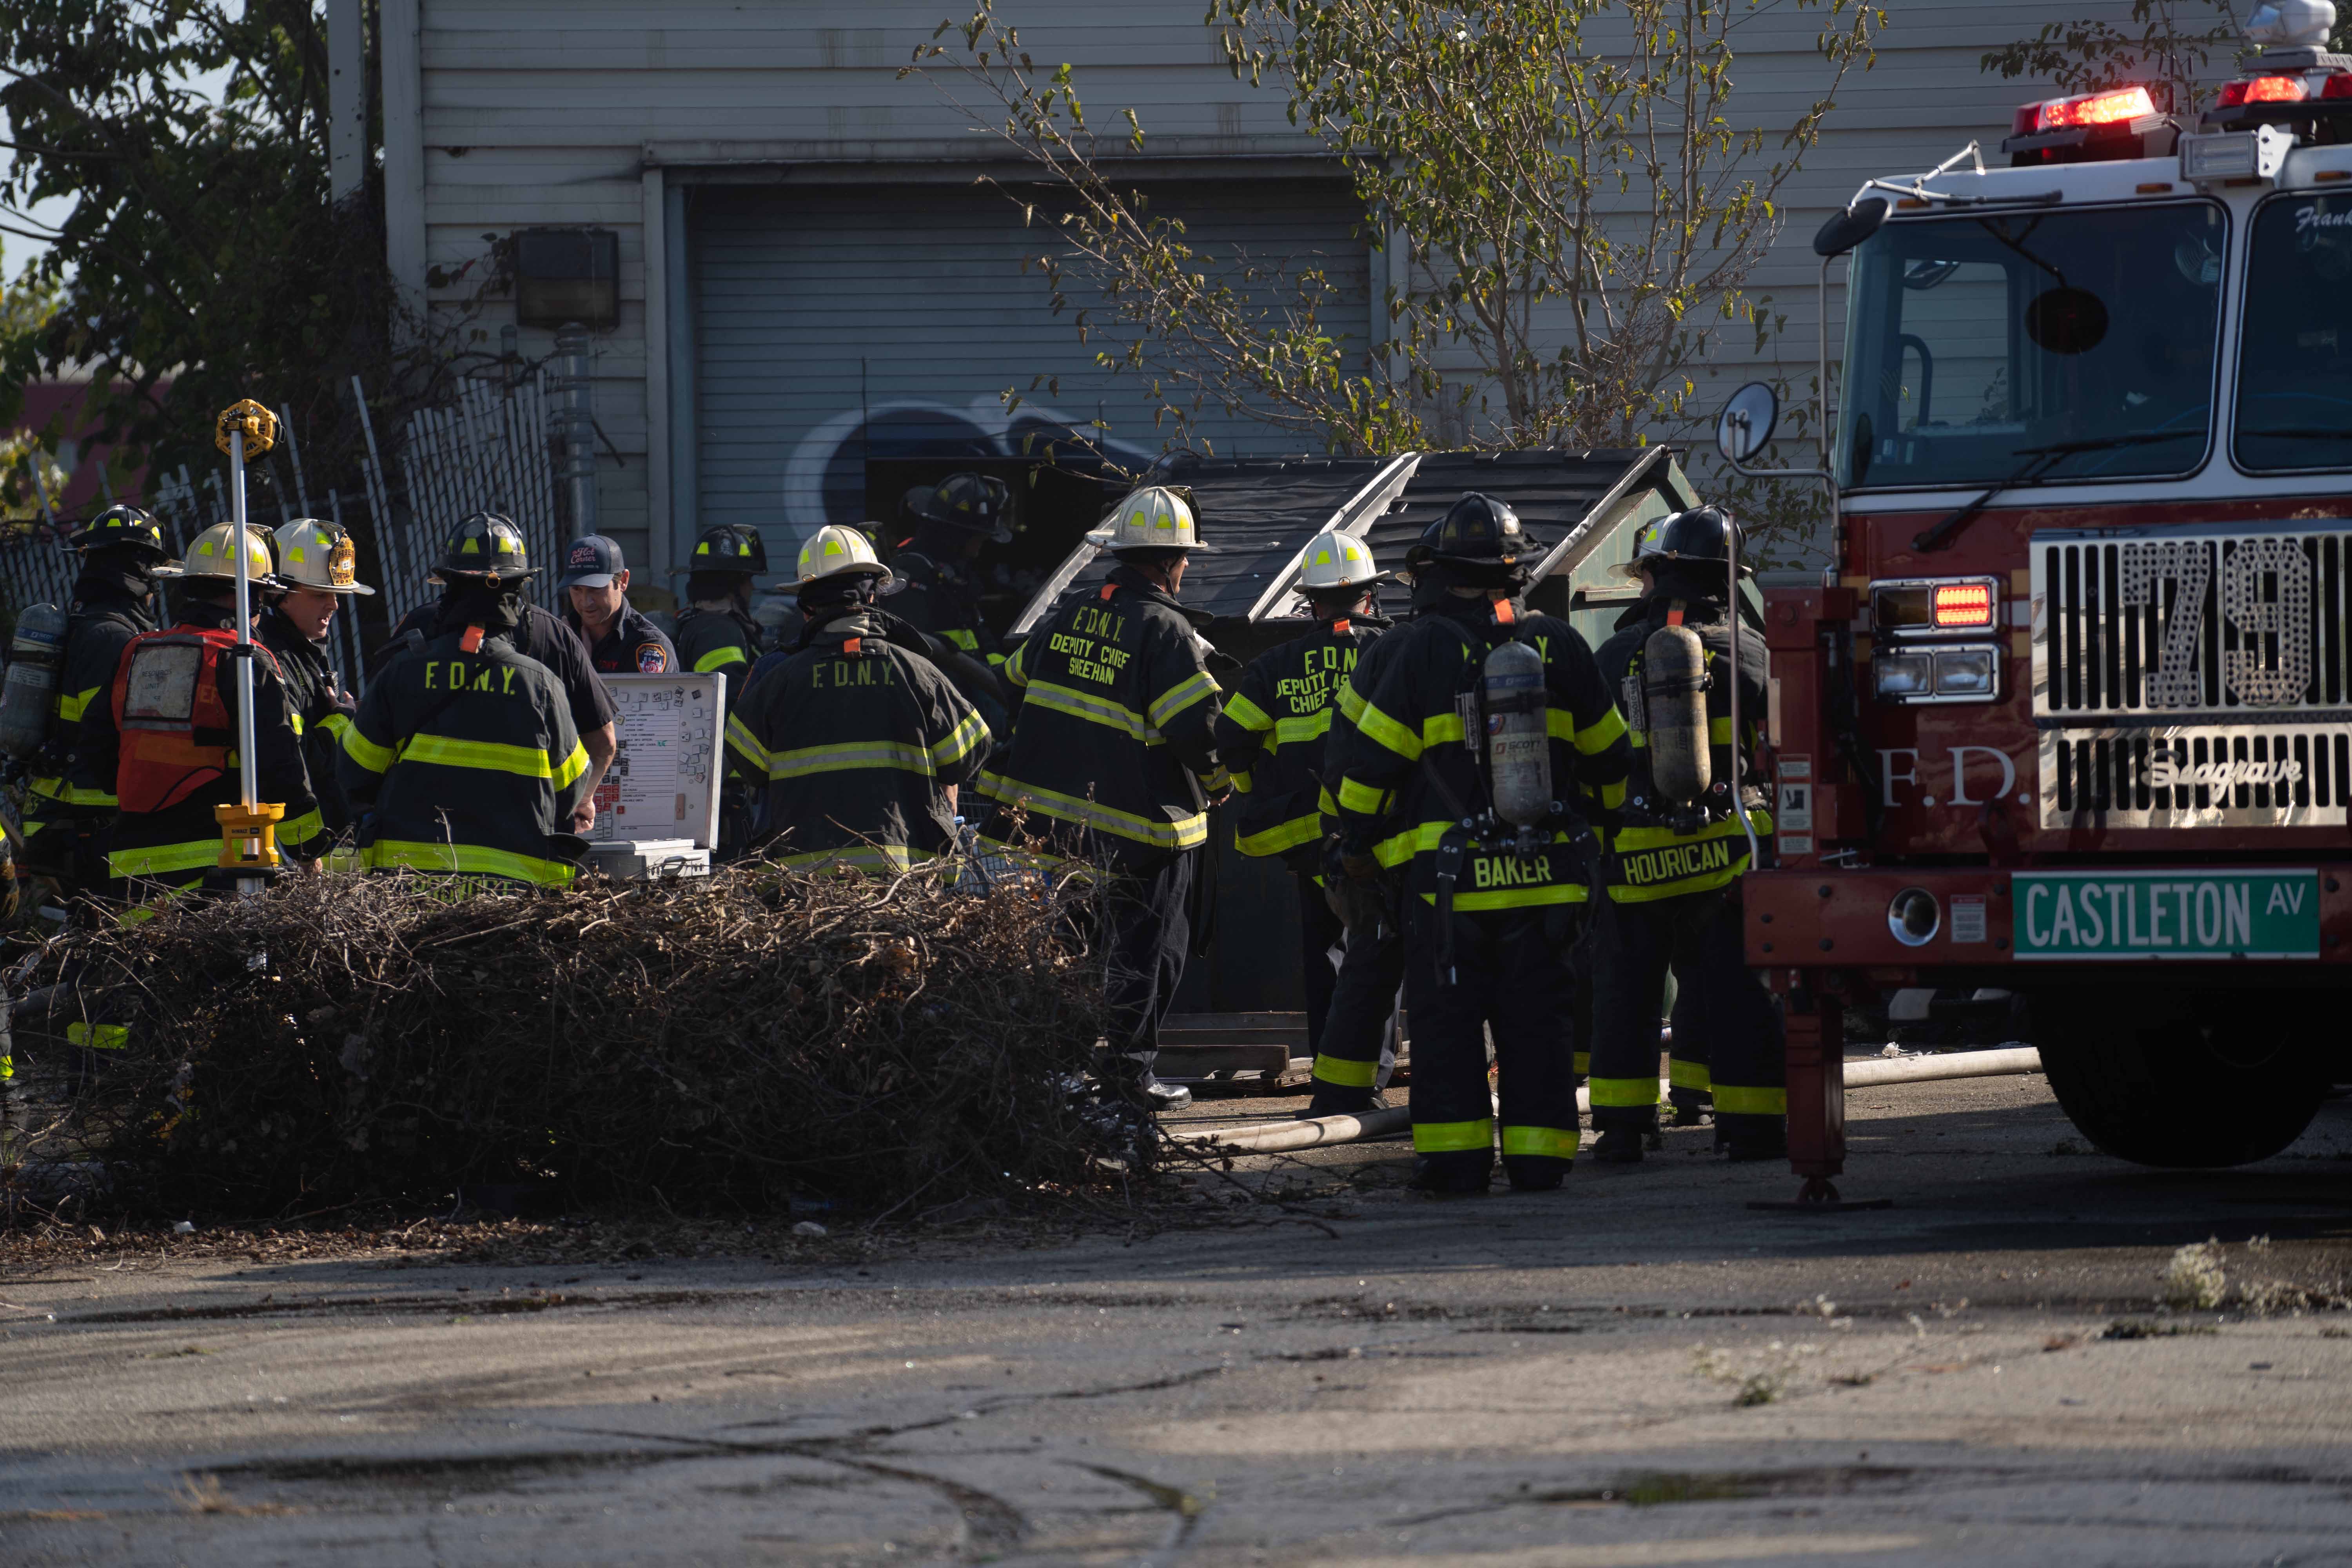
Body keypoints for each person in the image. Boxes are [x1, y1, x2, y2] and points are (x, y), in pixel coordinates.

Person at [1328, 493, 1630, 1195]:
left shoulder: (1410, 651)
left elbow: (1367, 770)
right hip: (1548, 878)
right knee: (1538, 1024)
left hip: (1446, 887)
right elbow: (1613, 761)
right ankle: (1542, 1158)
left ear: (1437, 570)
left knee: (1448, 1023)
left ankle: (1457, 1165)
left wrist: (1357, 846)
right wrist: (1597, 841)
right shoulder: (1561, 644)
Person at [980, 485, 1230, 1113]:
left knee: (1070, 953)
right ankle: (1127, 1077)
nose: (1186, 569)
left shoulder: (1070, 610)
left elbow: (1014, 679)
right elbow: (1197, 731)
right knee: (1149, 953)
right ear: (1170, 562)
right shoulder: (1166, 630)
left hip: (1051, 822)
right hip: (1140, 828)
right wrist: (1226, 784)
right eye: (1184, 559)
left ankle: (1063, 1072)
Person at [1586, 505, 1785, 1163]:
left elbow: (1590, 761)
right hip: (1729, 856)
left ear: (1662, 574)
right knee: (1738, 992)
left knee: (1628, 994)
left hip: (1637, 859)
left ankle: (1621, 1129)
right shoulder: (1755, 653)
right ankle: (1752, 1127)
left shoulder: (1613, 655)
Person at [1213, 529, 1391, 1098]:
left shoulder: (1275, 666)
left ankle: (1332, 1068)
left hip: (1311, 837)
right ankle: (1373, 1072)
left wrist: (1258, 791)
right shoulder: (1395, 650)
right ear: (1369, 598)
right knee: (1384, 946)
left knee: (1325, 954)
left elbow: (1232, 740)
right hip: (1387, 831)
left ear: (1312, 602)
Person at [339, 515, 590, 890]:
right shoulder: (542, 686)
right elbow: (571, 788)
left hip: (410, 892)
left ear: (449, 590)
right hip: (512, 895)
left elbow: (355, 774)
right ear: (516, 597)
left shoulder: (401, 673)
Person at [82, 522, 327, 906]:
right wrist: (310, 848)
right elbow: (283, 768)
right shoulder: (244, 660)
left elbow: (95, 752)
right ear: (251, 599)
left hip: (133, 873)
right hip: (217, 875)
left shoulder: (136, 653)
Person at [724, 526, 989, 872]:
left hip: (804, 885)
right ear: (873, 597)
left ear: (808, 606)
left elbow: (747, 765)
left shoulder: (779, 681)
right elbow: (970, 754)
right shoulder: (919, 674)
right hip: (903, 879)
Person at [373, 515, 615, 832]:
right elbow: (604, 742)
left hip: (420, 846)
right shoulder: (554, 637)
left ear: (448, 580)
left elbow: (369, 745)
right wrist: (580, 802)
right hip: (524, 849)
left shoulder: (418, 629)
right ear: (520, 581)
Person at [17, 504, 170, 907]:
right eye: (151, 567)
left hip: (58, 819)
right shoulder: (114, 639)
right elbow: (104, 741)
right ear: (137, 568)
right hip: (87, 827)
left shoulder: (83, 625)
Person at [258, 518, 368, 838]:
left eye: (336, 595)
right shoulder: (270, 660)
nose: (334, 605)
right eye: (321, 593)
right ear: (282, 594)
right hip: (292, 843)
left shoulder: (302, 653)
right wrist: (341, 722)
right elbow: (296, 757)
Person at [891, 473, 1018, 732]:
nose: (983, 544)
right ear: (957, 535)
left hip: (972, 696)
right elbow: (911, 659)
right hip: (943, 704)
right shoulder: (913, 574)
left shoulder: (954, 574)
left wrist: (1003, 678)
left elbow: (978, 638)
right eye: (980, 537)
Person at [557, 534, 675, 676]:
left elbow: (646, 698)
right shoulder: (558, 637)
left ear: (623, 581)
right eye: (576, 589)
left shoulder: (649, 646)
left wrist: (583, 668)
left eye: (595, 589)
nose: (586, 601)